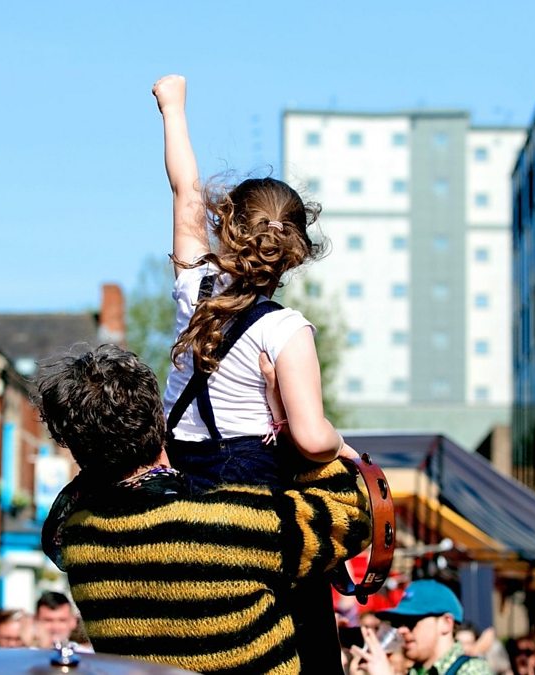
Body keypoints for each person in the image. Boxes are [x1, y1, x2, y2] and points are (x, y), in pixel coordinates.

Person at [154, 72, 358, 673]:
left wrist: (174, 106)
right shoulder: (285, 329)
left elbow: (184, 191)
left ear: (228, 226)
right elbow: (311, 437)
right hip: (253, 488)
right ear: (294, 248)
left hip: (184, 476)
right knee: (304, 630)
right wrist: (348, 448)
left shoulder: (193, 287)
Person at [36, 344, 371, 674]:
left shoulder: (77, 539)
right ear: (160, 421)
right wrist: (289, 423)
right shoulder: (233, 524)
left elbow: (74, 499)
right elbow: (355, 513)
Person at [352, 579, 494, 675]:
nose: (401, 630)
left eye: (411, 621)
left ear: (446, 623)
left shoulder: (473, 670)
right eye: (398, 623)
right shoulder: (414, 671)